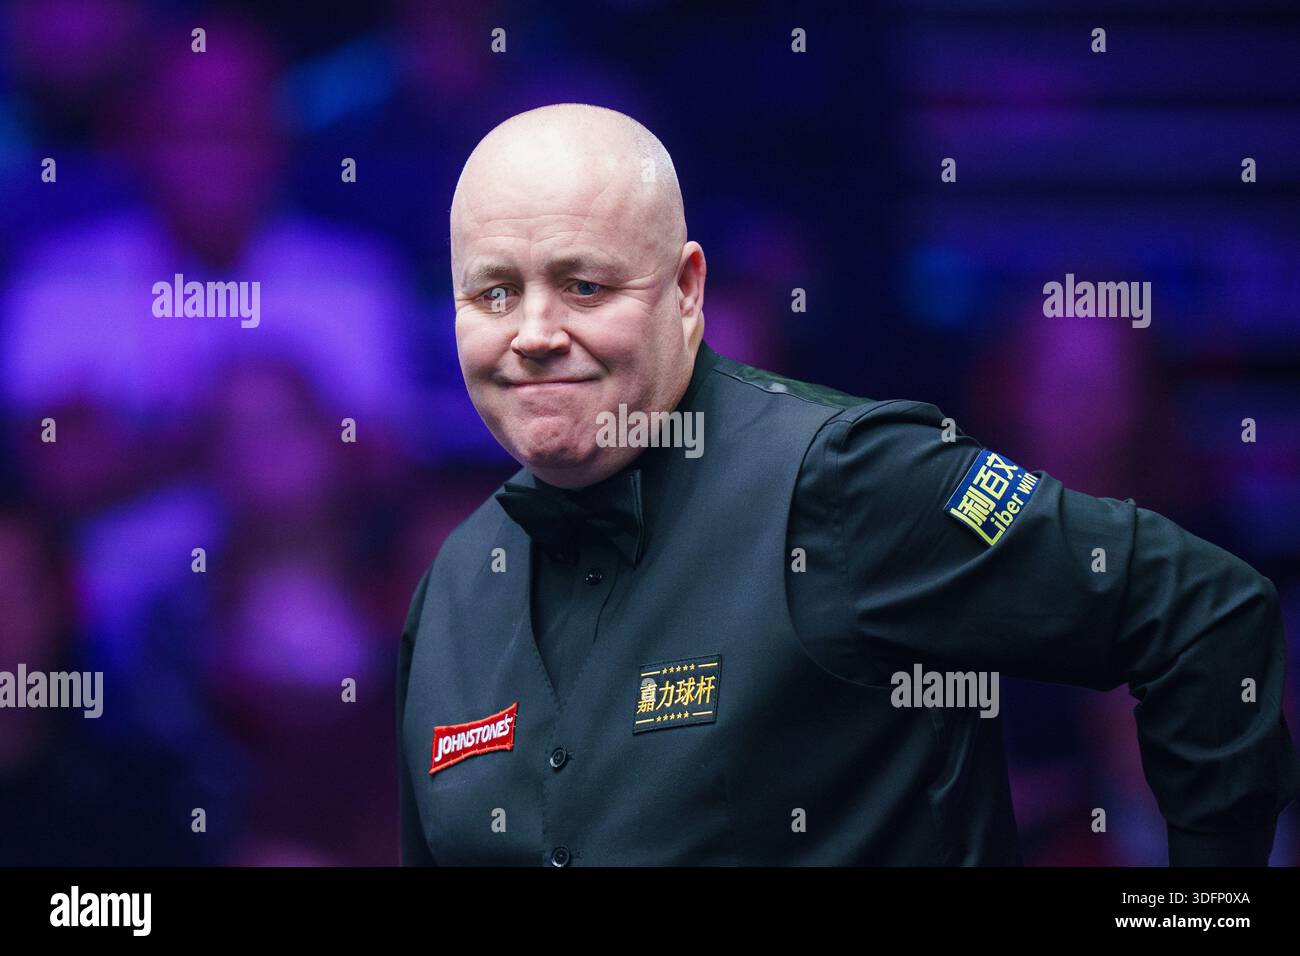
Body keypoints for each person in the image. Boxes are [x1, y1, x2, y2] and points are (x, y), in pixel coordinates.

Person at [397, 103, 1300, 866]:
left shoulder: (848, 480)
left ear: (685, 289)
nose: (535, 331)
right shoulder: (452, 590)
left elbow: (1203, 609)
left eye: (585, 285)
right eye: (494, 293)